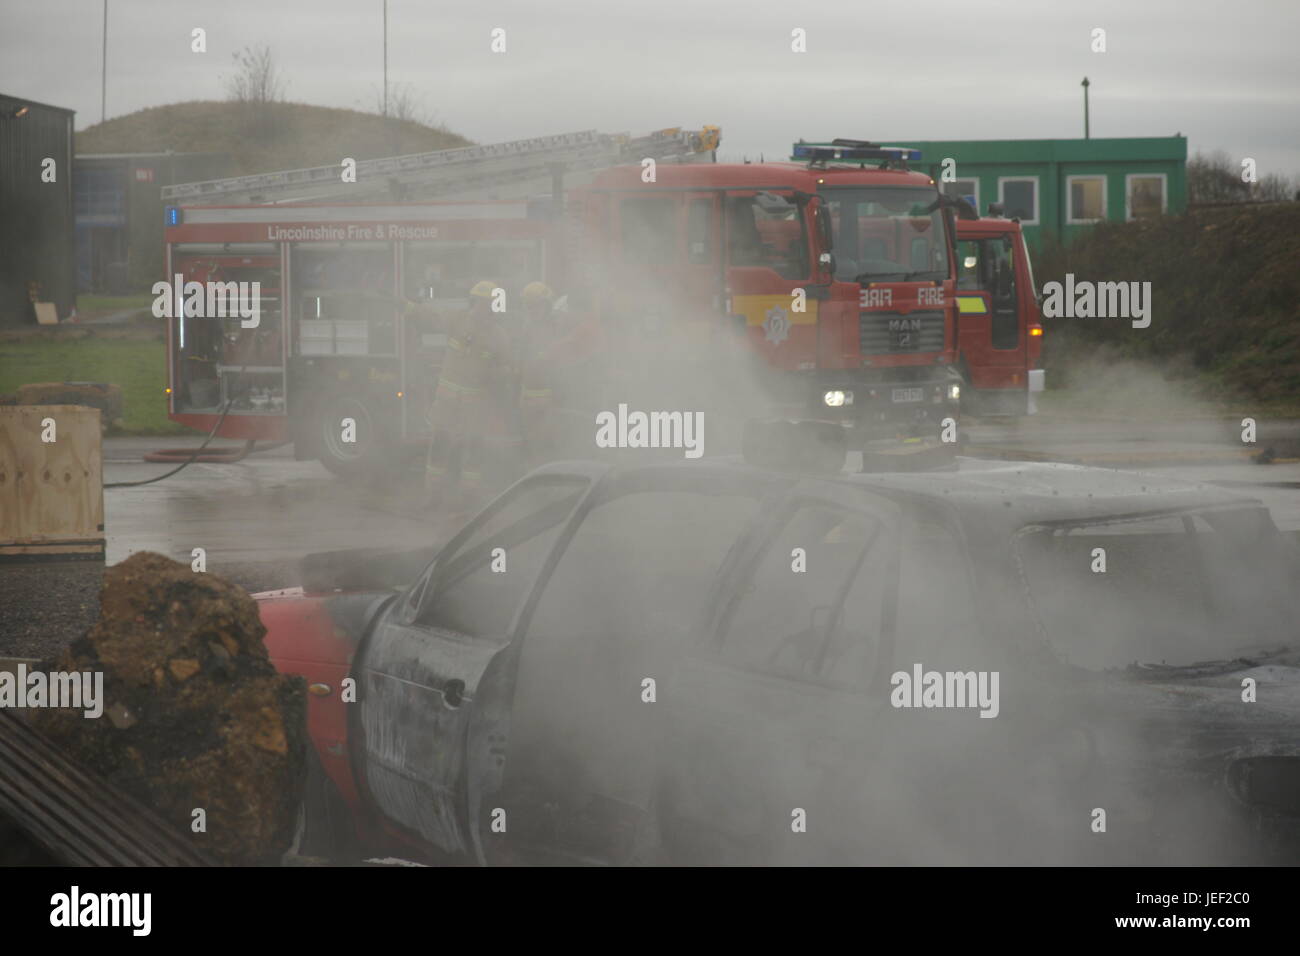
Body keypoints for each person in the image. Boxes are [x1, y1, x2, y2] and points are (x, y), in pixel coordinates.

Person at [423, 280, 513, 512]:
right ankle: (433, 495)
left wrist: (495, 374)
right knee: (440, 445)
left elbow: (507, 368)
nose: (485, 308)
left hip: (474, 406)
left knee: (474, 450)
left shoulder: (498, 335)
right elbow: (430, 316)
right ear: (473, 302)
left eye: (489, 304)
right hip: (447, 403)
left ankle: (468, 498)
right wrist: (406, 306)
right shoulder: (457, 320)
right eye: (481, 303)